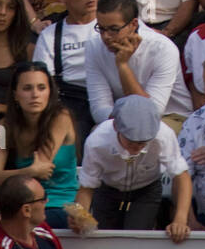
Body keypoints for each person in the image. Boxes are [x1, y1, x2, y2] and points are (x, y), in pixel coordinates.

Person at [76, 93, 192, 236]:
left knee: (138, 236)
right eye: (130, 142)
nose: (136, 148)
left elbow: (182, 175)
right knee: (105, 238)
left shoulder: (163, 135)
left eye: (143, 143)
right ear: (116, 127)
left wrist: (180, 218)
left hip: (146, 190)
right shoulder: (97, 142)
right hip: (107, 190)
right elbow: (87, 185)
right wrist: (80, 216)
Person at [0, 61, 78, 228]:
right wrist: (27, 171)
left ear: (50, 92)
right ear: (15, 94)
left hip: (60, 205)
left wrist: (26, 173)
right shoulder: (1, 127)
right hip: (21, 205)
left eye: (41, 88)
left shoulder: (61, 117)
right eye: (27, 88)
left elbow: (40, 171)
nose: (35, 94)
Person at [32, 0, 98, 151]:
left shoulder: (112, 25)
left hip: (110, 95)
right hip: (71, 100)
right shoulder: (50, 35)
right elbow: (42, 80)